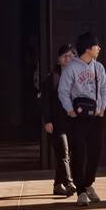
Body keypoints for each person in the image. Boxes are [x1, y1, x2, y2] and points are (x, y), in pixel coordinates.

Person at [58, 32, 106, 206]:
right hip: (77, 118)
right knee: (79, 153)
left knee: (95, 153)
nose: (99, 48)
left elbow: (104, 90)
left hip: (95, 117)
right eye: (96, 46)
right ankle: (81, 191)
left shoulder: (99, 68)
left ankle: (88, 184)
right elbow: (63, 91)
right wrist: (70, 110)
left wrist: (102, 109)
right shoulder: (71, 67)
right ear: (88, 48)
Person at [41, 43, 77, 196]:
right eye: (65, 56)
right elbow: (45, 101)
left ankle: (57, 184)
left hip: (73, 121)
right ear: (59, 59)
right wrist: (47, 120)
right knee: (63, 151)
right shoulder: (52, 77)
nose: (68, 59)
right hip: (57, 121)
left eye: (71, 56)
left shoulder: (77, 75)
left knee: (69, 153)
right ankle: (69, 182)